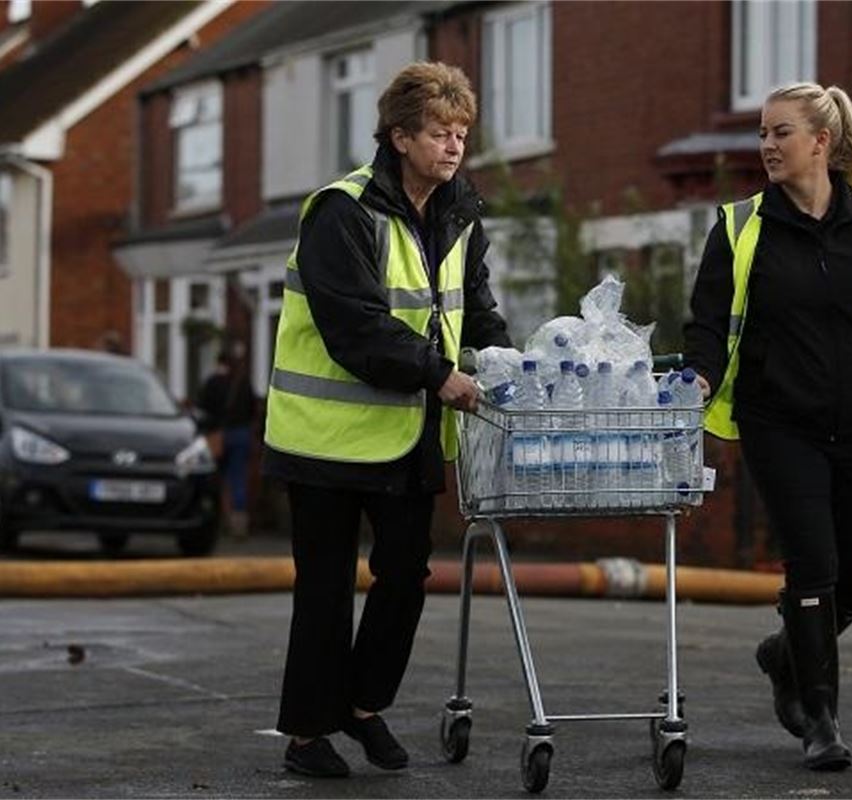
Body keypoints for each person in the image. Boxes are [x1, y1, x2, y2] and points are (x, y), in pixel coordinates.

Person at [683, 82, 852, 771]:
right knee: (814, 565)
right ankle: (819, 719)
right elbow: (708, 320)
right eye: (763, 134)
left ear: (821, 143)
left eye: (781, 133)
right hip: (779, 421)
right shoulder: (741, 227)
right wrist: (700, 377)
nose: (767, 146)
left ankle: (783, 652)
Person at [261, 61, 511, 778]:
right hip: (324, 439)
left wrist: (507, 364)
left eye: (462, 132)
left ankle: (363, 705)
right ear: (400, 137)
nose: (455, 145)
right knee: (325, 589)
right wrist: (441, 375)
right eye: (440, 132)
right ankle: (307, 734)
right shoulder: (342, 212)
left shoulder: (461, 214)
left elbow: (477, 313)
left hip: (409, 437)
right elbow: (356, 328)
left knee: (405, 576)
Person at [195, 342, 256, 538]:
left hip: (218, 435)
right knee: (238, 478)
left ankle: (222, 519)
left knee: (218, 479)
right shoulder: (242, 381)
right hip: (242, 434)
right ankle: (240, 523)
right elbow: (253, 409)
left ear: (218, 362)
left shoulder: (212, 382)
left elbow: (202, 408)